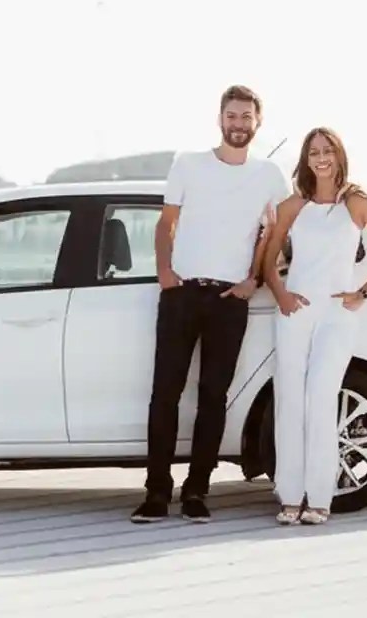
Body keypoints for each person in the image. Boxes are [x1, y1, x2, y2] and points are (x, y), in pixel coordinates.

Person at [131, 85, 292, 524]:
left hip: (229, 299)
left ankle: (197, 491)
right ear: (220, 119)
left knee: (212, 397)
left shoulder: (269, 175)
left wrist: (255, 279)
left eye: (246, 117)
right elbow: (166, 225)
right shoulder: (189, 164)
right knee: (164, 394)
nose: (238, 124)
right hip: (181, 294)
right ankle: (156, 492)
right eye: (232, 116)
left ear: (257, 123)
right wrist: (165, 274)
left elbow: (275, 235)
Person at [261, 127, 367, 525]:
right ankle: (290, 495)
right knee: (290, 397)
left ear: (339, 156)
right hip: (294, 313)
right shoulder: (294, 205)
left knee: (323, 396)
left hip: (338, 315)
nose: (320, 158)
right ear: (305, 160)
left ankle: (320, 497)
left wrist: (363, 293)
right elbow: (268, 260)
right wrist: (282, 294)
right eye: (313, 152)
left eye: (327, 151)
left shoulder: (357, 202)